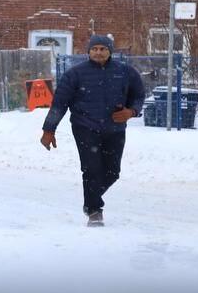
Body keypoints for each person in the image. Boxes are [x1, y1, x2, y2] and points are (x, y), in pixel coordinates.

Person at [40, 35, 145, 227]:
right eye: (94, 49)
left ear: (110, 51)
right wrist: (49, 129)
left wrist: (131, 112)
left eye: (102, 49)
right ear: (88, 51)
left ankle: (91, 197)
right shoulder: (75, 74)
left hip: (115, 129)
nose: (98, 52)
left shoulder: (125, 72)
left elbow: (138, 95)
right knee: (91, 169)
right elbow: (59, 104)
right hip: (85, 127)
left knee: (113, 172)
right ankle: (94, 211)